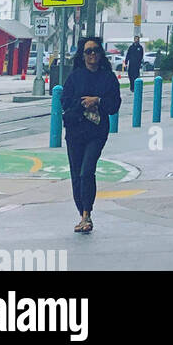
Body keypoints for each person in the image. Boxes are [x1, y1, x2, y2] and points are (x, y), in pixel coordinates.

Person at [60, 37, 121, 234]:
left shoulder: (108, 78)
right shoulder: (75, 77)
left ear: (101, 54)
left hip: (97, 132)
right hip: (75, 132)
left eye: (95, 50)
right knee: (76, 175)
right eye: (88, 51)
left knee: (87, 171)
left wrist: (98, 100)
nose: (92, 54)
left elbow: (114, 105)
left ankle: (87, 215)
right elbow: (65, 102)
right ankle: (82, 214)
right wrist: (82, 103)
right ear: (83, 55)